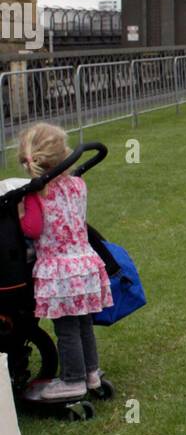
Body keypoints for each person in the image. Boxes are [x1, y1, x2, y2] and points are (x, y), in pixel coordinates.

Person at [16, 123, 112, 401]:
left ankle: (72, 380)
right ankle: (92, 373)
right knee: (83, 325)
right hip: (85, 265)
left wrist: (22, 212)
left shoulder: (36, 195)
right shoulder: (77, 184)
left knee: (66, 329)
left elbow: (33, 230)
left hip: (60, 272)